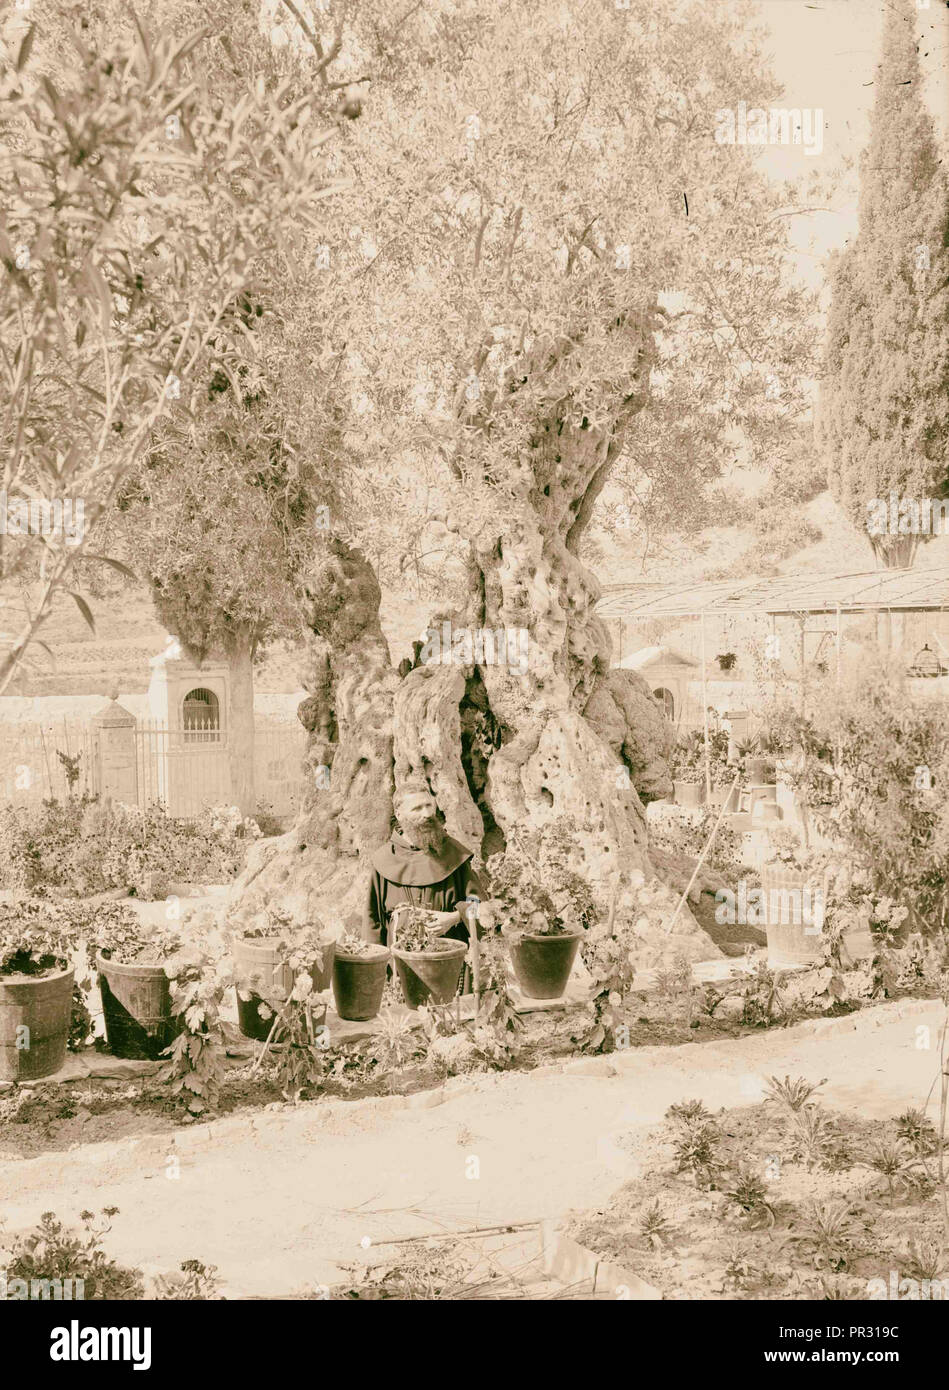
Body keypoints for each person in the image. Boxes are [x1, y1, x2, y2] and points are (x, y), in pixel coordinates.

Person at [364, 781, 483, 950]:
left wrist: (455, 917)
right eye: (417, 808)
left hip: (450, 957)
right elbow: (372, 921)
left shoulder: (454, 853)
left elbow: (480, 905)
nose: (427, 813)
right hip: (400, 960)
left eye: (429, 805)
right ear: (399, 814)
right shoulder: (383, 860)